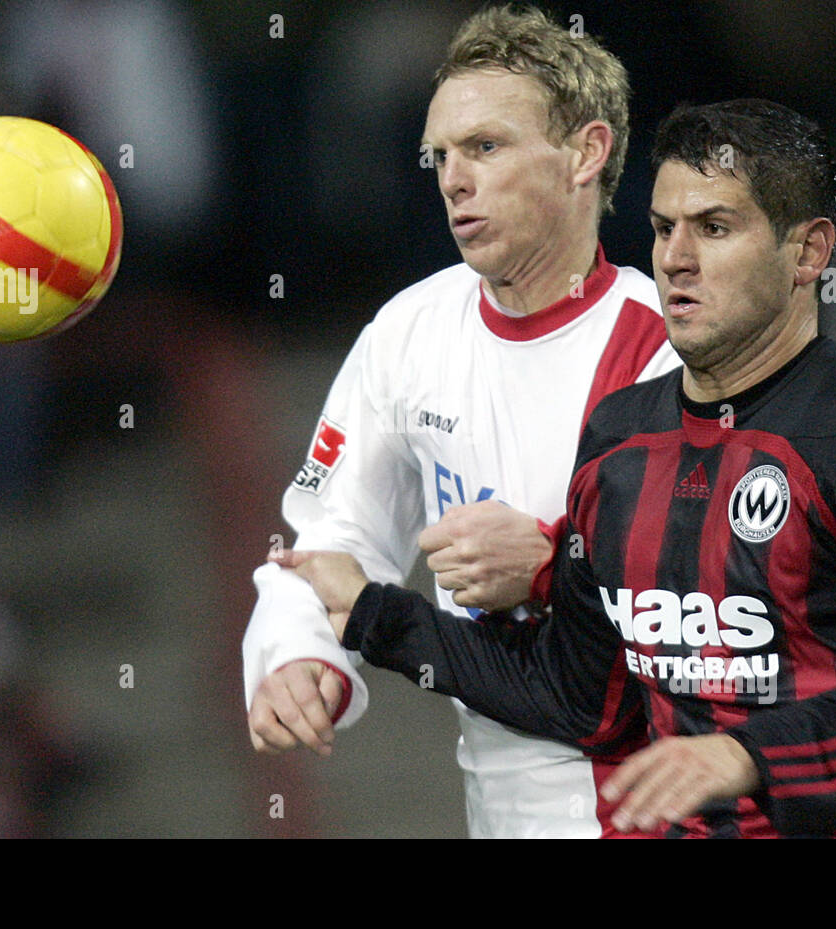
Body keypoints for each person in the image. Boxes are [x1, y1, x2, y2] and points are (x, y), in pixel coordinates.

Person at [279, 99, 836, 838]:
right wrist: (375, 613)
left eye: (714, 228)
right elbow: (577, 696)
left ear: (809, 253)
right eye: (663, 228)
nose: (676, 258)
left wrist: (749, 755)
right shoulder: (620, 439)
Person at [241, 6, 680, 838]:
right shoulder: (410, 331)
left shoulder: (669, 343)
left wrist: (556, 567)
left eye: (486, 146)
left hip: (663, 807)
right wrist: (299, 655)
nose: (452, 178)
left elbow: (734, 604)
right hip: (498, 807)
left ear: (585, 154)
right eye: (439, 154)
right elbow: (331, 538)